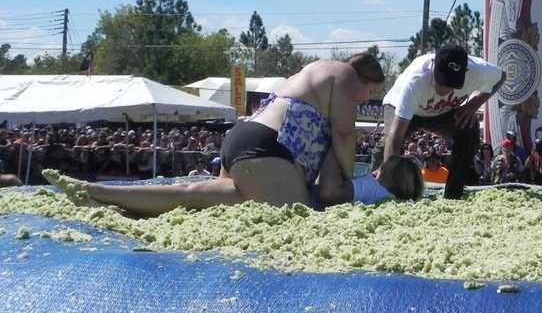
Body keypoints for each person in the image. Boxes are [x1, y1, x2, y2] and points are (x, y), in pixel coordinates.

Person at [42, 54, 386, 214]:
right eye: (369, 93)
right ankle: (100, 192)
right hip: (268, 152)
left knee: (194, 196)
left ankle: (100, 194)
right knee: (297, 214)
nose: (364, 99)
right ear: (366, 79)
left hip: (247, 137)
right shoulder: (344, 75)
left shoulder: (312, 73)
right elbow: (344, 134)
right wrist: (349, 175)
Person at [376, 44, 505, 199]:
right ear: (434, 66)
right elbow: (396, 136)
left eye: (451, 85)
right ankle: (380, 191)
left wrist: (473, 104)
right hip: (403, 109)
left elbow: (501, 77)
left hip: (443, 112)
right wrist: (388, 174)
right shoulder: (416, 81)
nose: (444, 90)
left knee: (469, 129)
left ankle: (453, 194)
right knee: (386, 149)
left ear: (466, 72)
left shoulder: (480, 71)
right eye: (441, 82)